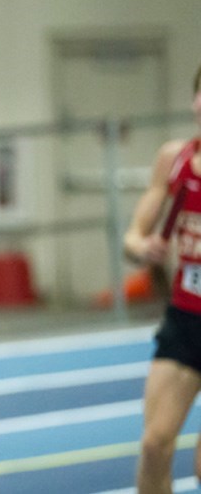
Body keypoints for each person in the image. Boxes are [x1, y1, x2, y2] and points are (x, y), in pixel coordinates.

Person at [127, 63, 201, 494]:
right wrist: (143, 247)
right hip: (185, 319)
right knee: (154, 445)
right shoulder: (174, 160)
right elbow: (132, 236)